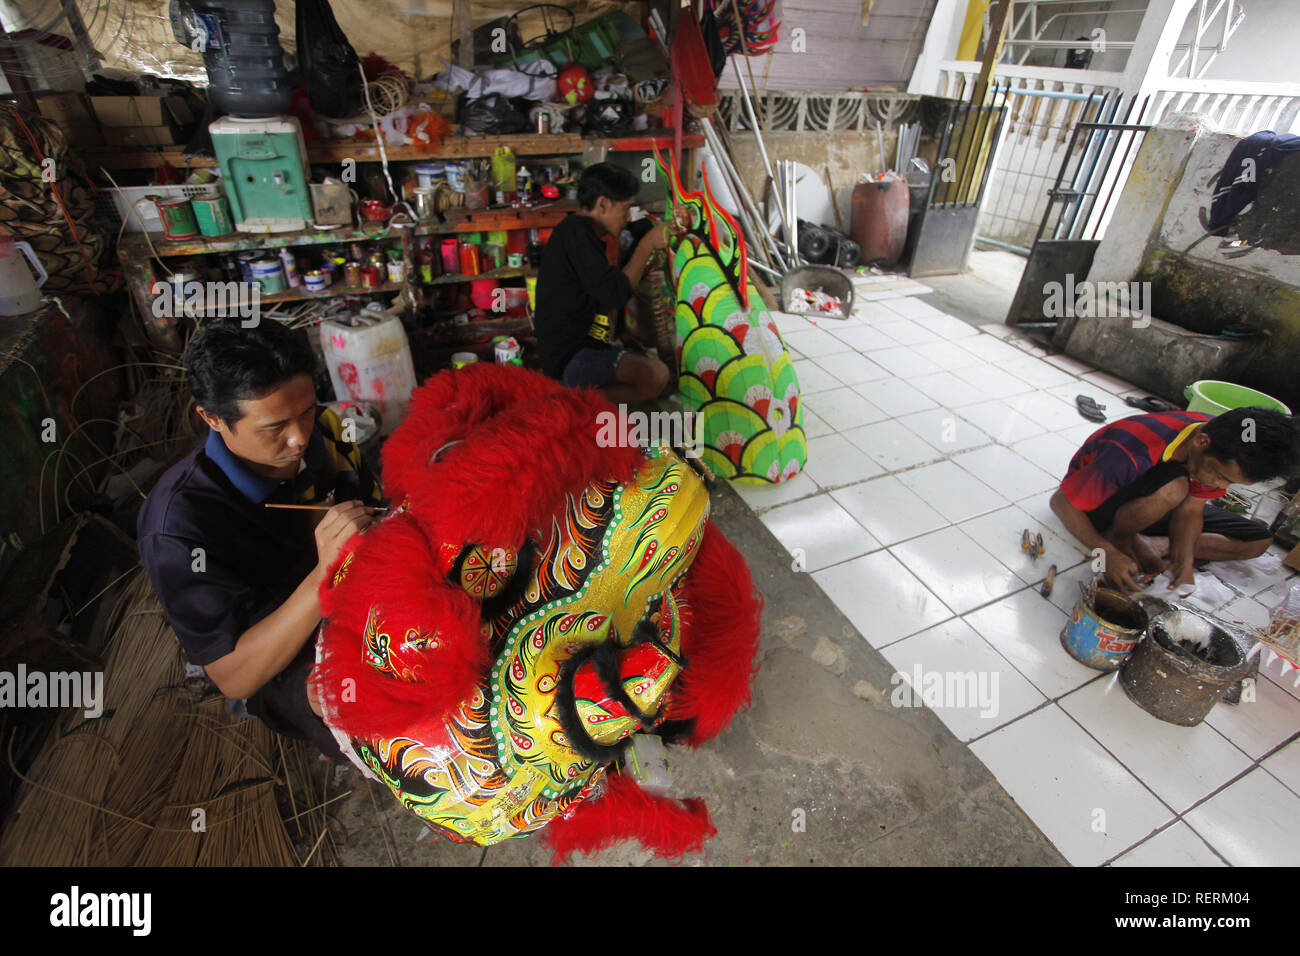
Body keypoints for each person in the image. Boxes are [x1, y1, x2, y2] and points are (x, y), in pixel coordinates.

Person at [137, 319, 382, 758]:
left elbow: (377, 508)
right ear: (212, 418)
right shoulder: (179, 526)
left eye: (306, 410)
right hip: (278, 657)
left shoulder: (327, 430)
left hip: (358, 600)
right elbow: (235, 676)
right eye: (274, 427)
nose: (300, 437)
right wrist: (324, 575)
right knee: (368, 707)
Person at [1049, 406, 1300, 593]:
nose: (1221, 487)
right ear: (1202, 442)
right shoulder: (1131, 449)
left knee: (1259, 540)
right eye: (1220, 476)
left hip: (1158, 501)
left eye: (1230, 482)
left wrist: (1185, 561)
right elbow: (1061, 503)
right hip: (1101, 500)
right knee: (1175, 488)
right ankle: (1120, 539)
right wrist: (1108, 554)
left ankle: (1150, 544)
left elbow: (1192, 510)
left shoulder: (1224, 440)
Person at [534, 162, 672, 403]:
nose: (628, 218)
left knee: (653, 369)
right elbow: (615, 293)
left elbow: (610, 284)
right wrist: (647, 245)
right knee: (656, 376)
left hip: (578, 348)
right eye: (626, 208)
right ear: (603, 204)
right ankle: (568, 402)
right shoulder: (577, 233)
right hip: (568, 359)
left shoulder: (578, 233)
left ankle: (573, 399)